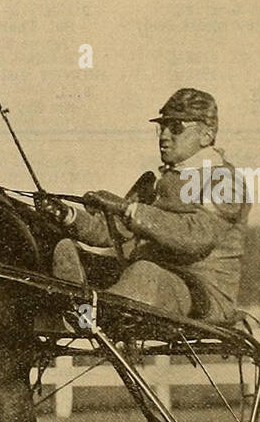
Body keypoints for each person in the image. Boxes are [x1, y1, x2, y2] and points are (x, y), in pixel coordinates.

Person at [38, 88, 248, 323]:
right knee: (72, 251)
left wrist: (130, 210)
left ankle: (86, 315)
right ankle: (75, 309)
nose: (164, 136)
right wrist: (67, 215)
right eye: (162, 127)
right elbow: (114, 231)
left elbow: (196, 236)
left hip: (203, 290)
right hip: (149, 277)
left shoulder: (224, 180)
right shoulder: (155, 181)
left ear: (207, 135)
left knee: (145, 274)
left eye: (176, 127)